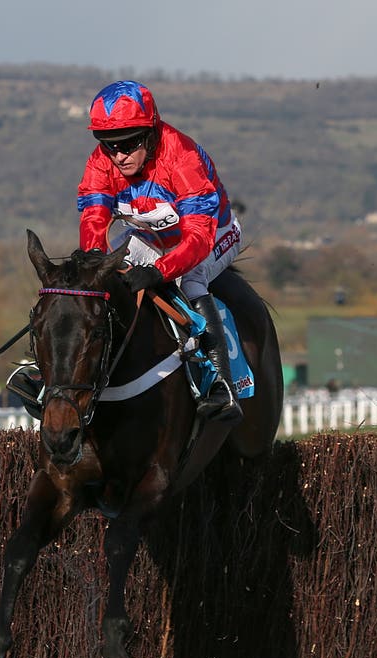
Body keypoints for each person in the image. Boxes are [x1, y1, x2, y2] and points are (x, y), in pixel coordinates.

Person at [77, 80, 244, 424]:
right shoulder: (101, 163)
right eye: (108, 145)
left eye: (127, 144)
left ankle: (221, 384)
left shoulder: (181, 157)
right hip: (152, 234)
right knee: (88, 273)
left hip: (212, 234)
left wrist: (159, 271)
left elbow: (197, 239)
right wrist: (95, 260)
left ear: (151, 132)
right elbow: (94, 218)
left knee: (190, 280)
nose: (118, 155)